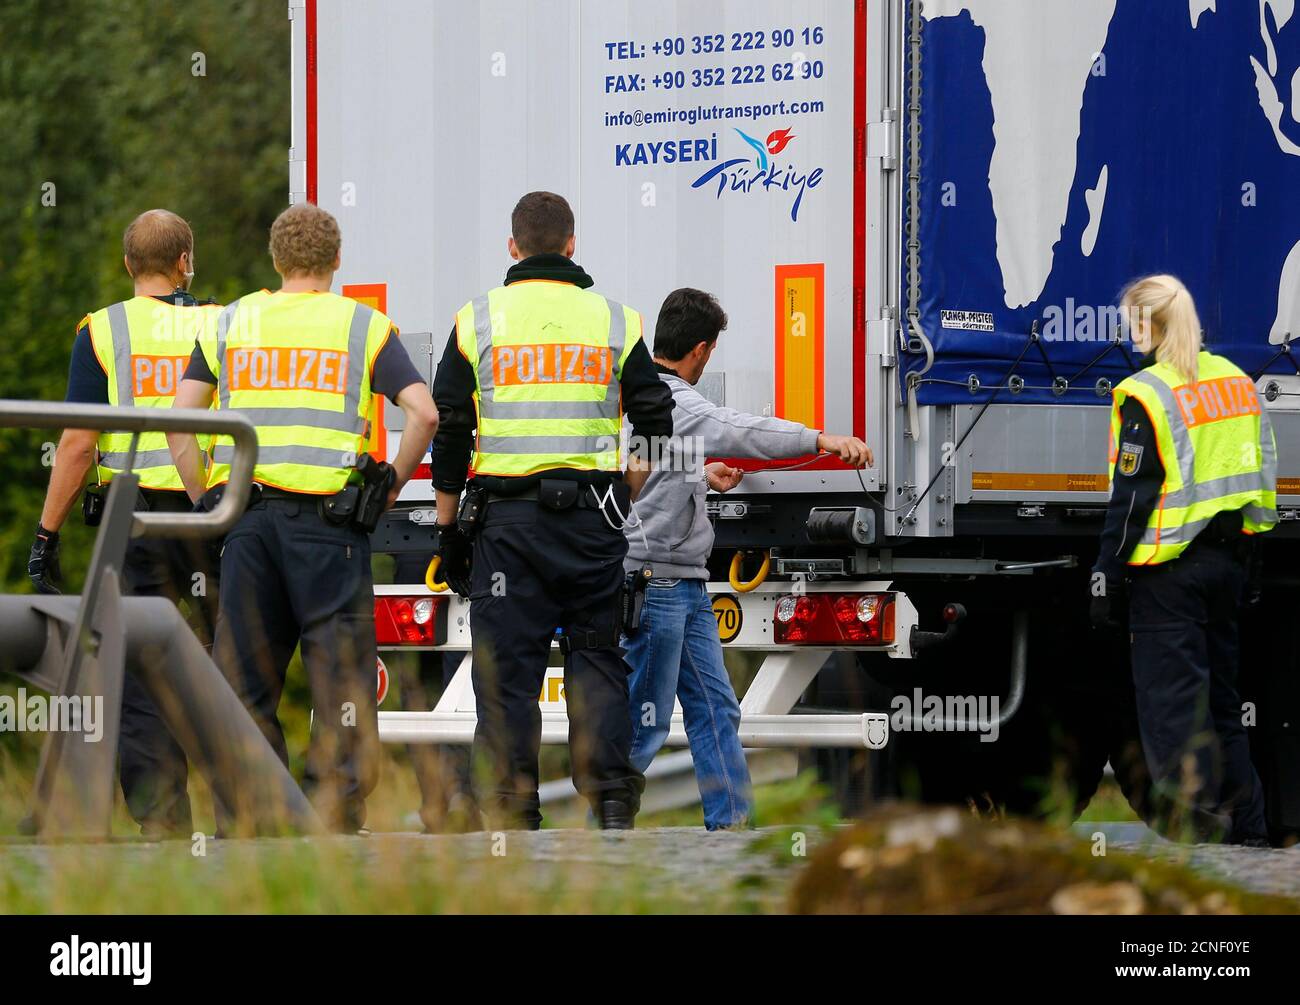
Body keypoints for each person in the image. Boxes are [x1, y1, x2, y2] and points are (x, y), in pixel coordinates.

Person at [167, 203, 439, 833]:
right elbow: (424, 413)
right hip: (331, 531)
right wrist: (391, 484)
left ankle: (250, 819)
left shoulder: (233, 320)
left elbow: (181, 420)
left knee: (243, 684)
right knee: (341, 685)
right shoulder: (361, 326)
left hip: (250, 526)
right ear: (336, 261)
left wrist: (208, 502)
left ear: (275, 259)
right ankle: (334, 817)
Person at [429, 191, 675, 830]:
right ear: (572, 244)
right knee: (597, 657)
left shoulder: (476, 320)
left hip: (506, 529)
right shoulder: (616, 321)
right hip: (593, 522)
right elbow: (654, 414)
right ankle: (613, 802)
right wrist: (628, 491)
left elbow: (450, 429)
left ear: (512, 248)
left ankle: (512, 810)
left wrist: (447, 526)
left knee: (509, 668)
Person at [624, 288, 873, 830]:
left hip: (681, 585)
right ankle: (604, 841)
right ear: (701, 350)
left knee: (716, 710)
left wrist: (699, 474)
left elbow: (648, 456)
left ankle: (732, 833)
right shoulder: (678, 402)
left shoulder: (644, 395)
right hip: (656, 584)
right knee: (643, 726)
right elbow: (740, 431)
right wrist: (820, 439)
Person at [27, 209, 222, 839]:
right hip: (209, 513)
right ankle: (244, 816)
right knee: (221, 663)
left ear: (127, 265)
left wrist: (46, 536)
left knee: (139, 668)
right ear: (186, 260)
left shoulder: (102, 329)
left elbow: (78, 442)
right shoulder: (222, 323)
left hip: (130, 520)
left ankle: (162, 820)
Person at [1090, 274, 1276, 845]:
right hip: (1228, 564)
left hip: (1167, 577)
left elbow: (1133, 500)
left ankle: (1203, 850)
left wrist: (1107, 574)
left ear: (1149, 324)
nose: (1127, 333)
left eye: (1130, 322)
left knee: (1175, 722)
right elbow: (1261, 477)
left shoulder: (1148, 392)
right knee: (1224, 711)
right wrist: (1251, 562)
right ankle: (1249, 840)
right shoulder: (1237, 383)